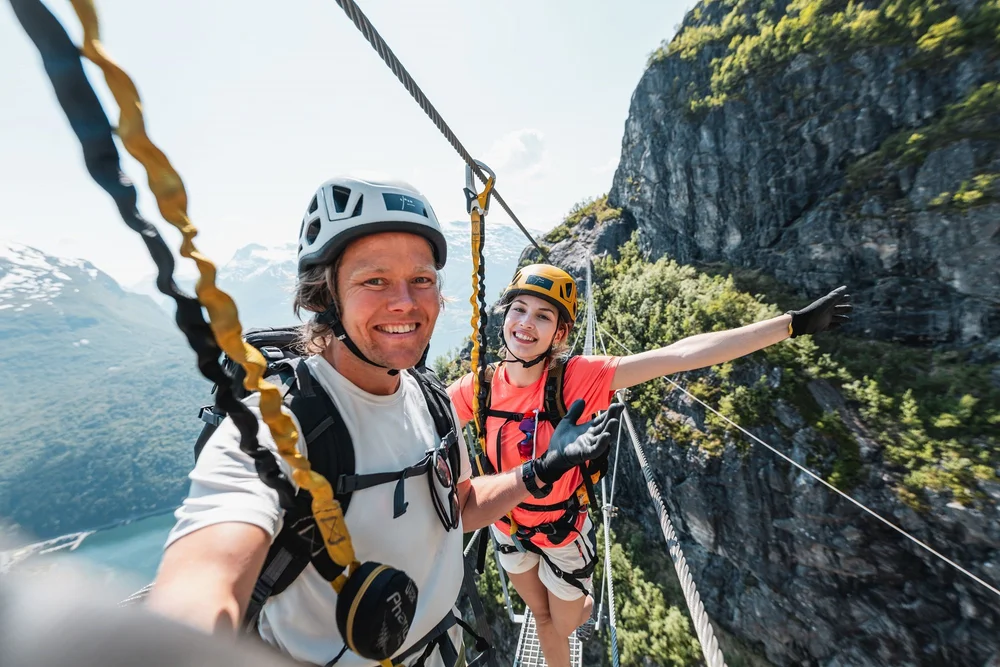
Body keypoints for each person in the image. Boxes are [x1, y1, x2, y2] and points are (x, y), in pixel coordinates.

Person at [146, 177, 622, 667]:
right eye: (374, 280)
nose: (405, 302)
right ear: (324, 295)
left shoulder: (433, 401)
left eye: (422, 279)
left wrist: (540, 470)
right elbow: (205, 582)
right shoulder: (275, 430)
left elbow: (457, 506)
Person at [448, 263, 852, 667]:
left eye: (543, 316)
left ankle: (584, 607)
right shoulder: (479, 386)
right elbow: (418, 413)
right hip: (508, 529)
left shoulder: (579, 378)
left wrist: (789, 325)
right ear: (504, 315)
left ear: (561, 334)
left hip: (563, 535)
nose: (525, 324)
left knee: (562, 625)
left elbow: (679, 354)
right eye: (519, 309)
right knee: (541, 618)